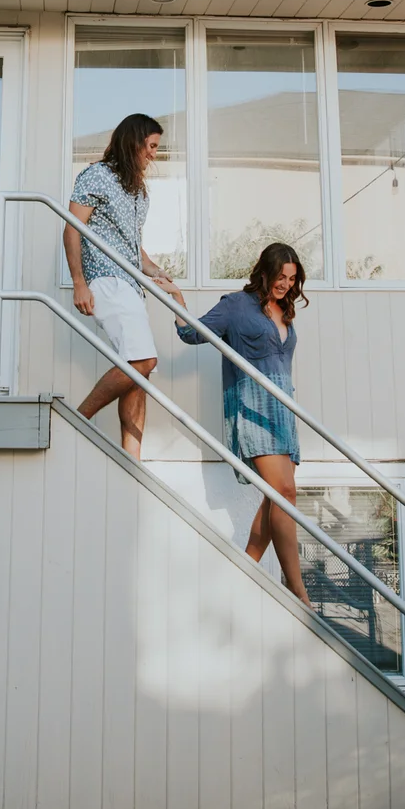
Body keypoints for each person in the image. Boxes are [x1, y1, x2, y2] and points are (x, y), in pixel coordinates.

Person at [157, 244, 314, 608]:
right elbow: (193, 334)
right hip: (252, 405)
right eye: (281, 277)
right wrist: (178, 298)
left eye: (292, 280)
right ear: (265, 270)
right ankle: (298, 590)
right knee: (284, 494)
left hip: (283, 411)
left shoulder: (285, 310)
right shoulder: (235, 305)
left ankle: (241, 572)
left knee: (275, 497)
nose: (286, 285)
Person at [64, 113, 171, 459]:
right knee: (143, 361)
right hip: (106, 279)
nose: (155, 153)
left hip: (131, 284)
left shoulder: (139, 191)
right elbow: (71, 229)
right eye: (152, 146)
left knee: (138, 375)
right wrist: (79, 283)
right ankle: (77, 420)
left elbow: (133, 249)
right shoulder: (97, 175)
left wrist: (158, 272)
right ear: (135, 142)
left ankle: (131, 459)